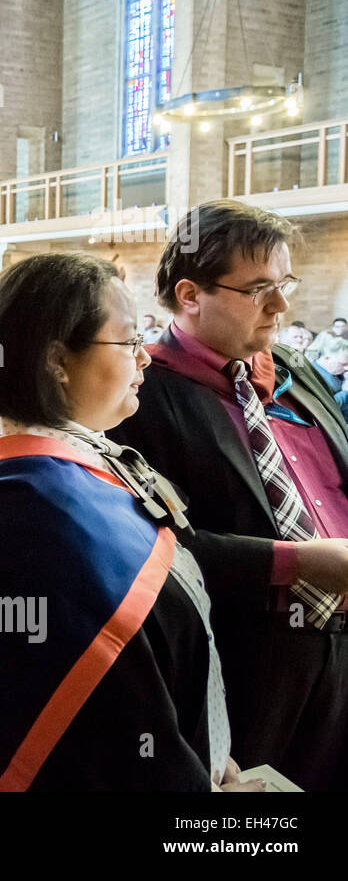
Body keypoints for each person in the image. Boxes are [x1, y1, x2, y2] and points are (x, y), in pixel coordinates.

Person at [0, 253, 290, 791]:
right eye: (129, 341)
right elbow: (108, 728)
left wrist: (208, 747)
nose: (146, 359)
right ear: (58, 359)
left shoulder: (82, 464)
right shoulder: (30, 512)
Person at [110, 200, 348, 791]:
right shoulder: (142, 395)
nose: (282, 305)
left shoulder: (294, 369)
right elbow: (149, 548)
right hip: (248, 657)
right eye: (260, 288)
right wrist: (296, 563)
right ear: (190, 294)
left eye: (285, 283)